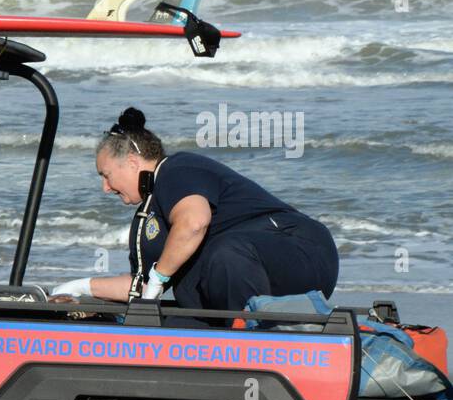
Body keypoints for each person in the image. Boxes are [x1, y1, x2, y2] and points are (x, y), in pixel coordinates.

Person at [53, 107, 338, 312]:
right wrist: (79, 287)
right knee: (188, 288)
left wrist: (158, 280)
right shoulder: (148, 219)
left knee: (222, 254)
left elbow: (194, 223)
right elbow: (139, 287)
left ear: (131, 162)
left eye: (105, 174)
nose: (105, 187)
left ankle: (249, 343)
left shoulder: (177, 169)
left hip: (300, 249)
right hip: (239, 269)